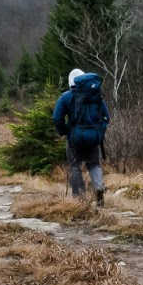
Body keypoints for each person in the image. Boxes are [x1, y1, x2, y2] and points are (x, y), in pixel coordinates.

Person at [53, 67, 111, 205]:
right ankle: (98, 187)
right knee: (94, 164)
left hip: (75, 138)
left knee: (75, 165)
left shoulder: (66, 96)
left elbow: (57, 118)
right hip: (93, 137)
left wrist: (64, 131)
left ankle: (79, 198)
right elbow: (106, 117)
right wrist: (98, 131)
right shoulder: (95, 96)